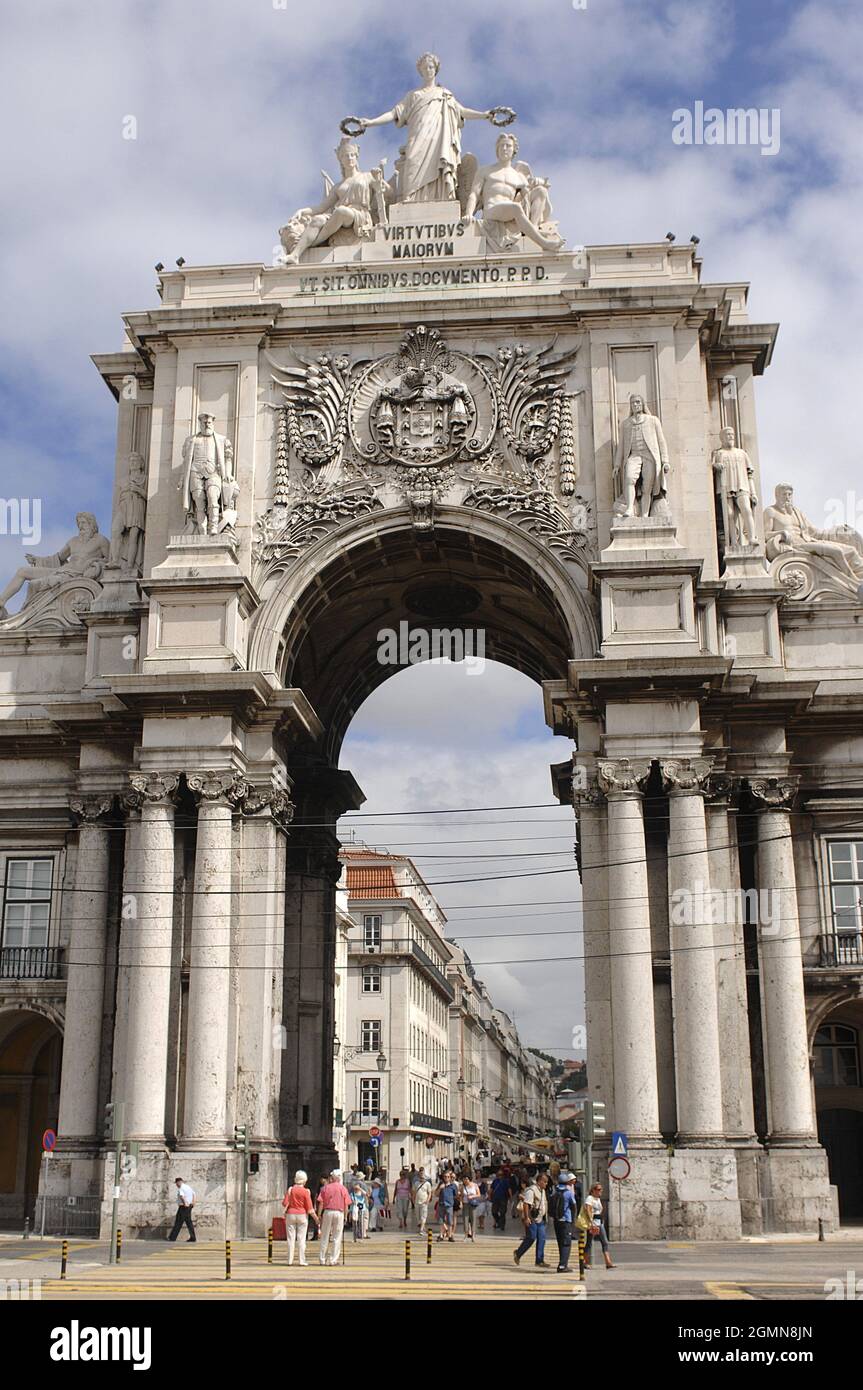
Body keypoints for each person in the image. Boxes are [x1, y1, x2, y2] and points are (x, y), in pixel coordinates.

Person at [353, 52, 498, 204]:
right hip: (417, 137)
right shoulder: (413, 95)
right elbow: (394, 113)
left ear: (435, 70)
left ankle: (440, 200)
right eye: (425, 67)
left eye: (431, 67)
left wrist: (484, 115)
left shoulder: (444, 94)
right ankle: (410, 201)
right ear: (420, 71)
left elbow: (461, 111)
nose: (428, 70)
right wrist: (370, 122)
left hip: (439, 139)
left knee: (438, 165)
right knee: (412, 162)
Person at [0, 511, 110, 620]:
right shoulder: (73, 541)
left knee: (34, 585)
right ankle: (2, 601)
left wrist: (96, 565)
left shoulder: (101, 540)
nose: (81, 526)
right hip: (61, 571)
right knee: (22, 571)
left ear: (92, 524)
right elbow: (58, 558)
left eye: (83, 523)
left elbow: (111, 561)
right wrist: (38, 560)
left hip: (75, 576)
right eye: (79, 523)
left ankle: (23, 616)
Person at [613, 394, 670, 520]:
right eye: (633, 403)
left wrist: (665, 461)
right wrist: (617, 464)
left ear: (642, 404)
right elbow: (621, 447)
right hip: (634, 455)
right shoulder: (626, 424)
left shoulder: (652, 420)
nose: (635, 405)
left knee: (647, 487)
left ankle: (645, 514)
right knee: (629, 478)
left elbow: (661, 442)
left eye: (638, 402)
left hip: (649, 456)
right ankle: (629, 508)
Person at [513, 1171, 549, 1268]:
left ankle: (539, 1260)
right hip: (531, 1218)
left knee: (542, 1238)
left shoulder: (543, 1191)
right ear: (540, 1181)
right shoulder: (531, 1190)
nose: (546, 1184)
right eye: (545, 1182)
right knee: (531, 1237)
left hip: (540, 1219)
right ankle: (518, 1253)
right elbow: (526, 1204)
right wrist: (526, 1218)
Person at [282, 1170, 318, 1265]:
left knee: (290, 1239)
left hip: (290, 1215)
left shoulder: (290, 1189)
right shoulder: (306, 1191)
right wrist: (316, 1219)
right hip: (302, 1215)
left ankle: (289, 1260)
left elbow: (284, 1203)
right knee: (301, 1239)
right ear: (304, 1180)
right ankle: (302, 1260)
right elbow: (310, 1208)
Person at [317, 1169, 352, 1265]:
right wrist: (345, 1216)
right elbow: (346, 1205)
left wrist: (319, 1215)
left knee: (325, 1236)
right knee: (337, 1237)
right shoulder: (343, 1189)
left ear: (332, 1178)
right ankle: (333, 1260)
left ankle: (322, 1259)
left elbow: (321, 1202)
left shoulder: (325, 1188)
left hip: (328, 1212)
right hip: (339, 1213)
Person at [549, 1171, 579, 1273]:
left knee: (560, 1242)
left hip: (556, 1221)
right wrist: (574, 1220)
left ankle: (562, 1262)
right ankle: (562, 1266)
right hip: (566, 1221)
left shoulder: (554, 1192)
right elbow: (574, 1206)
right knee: (566, 1243)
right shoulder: (568, 1193)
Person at [583, 1183, 616, 1269]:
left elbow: (599, 1210)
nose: (600, 1191)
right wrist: (591, 1223)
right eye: (598, 1189)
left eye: (601, 1189)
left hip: (599, 1223)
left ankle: (608, 1262)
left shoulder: (597, 1199)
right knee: (589, 1243)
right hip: (593, 1223)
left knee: (604, 1242)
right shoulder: (590, 1198)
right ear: (593, 1190)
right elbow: (588, 1210)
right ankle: (584, 1262)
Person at [168, 1177, 196, 1243]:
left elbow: (182, 1196)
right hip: (189, 1207)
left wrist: (185, 1203)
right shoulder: (188, 1187)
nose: (176, 1185)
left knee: (178, 1222)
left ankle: (172, 1238)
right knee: (189, 1223)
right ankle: (193, 1237)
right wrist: (193, 1202)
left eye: (176, 1183)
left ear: (178, 1182)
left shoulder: (181, 1188)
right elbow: (194, 1194)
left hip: (183, 1207)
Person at [435, 1171, 458, 1242]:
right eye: (445, 1176)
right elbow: (436, 1194)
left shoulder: (453, 1185)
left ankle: (450, 1235)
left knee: (450, 1221)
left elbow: (456, 1195)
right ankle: (441, 1235)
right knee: (441, 1220)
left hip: (449, 1205)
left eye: (448, 1177)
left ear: (450, 1178)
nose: (446, 1178)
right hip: (441, 1204)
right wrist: (440, 1188)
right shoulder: (441, 1184)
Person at [461, 1172, 481, 1241]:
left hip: (473, 1204)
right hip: (465, 1204)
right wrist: (461, 1203)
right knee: (465, 1220)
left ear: (469, 1179)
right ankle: (466, 1235)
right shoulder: (463, 1186)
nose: (465, 1180)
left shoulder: (474, 1185)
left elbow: (479, 1194)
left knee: (473, 1219)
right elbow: (461, 1196)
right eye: (464, 1179)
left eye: (466, 1179)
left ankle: (473, 1235)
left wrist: (472, 1196)